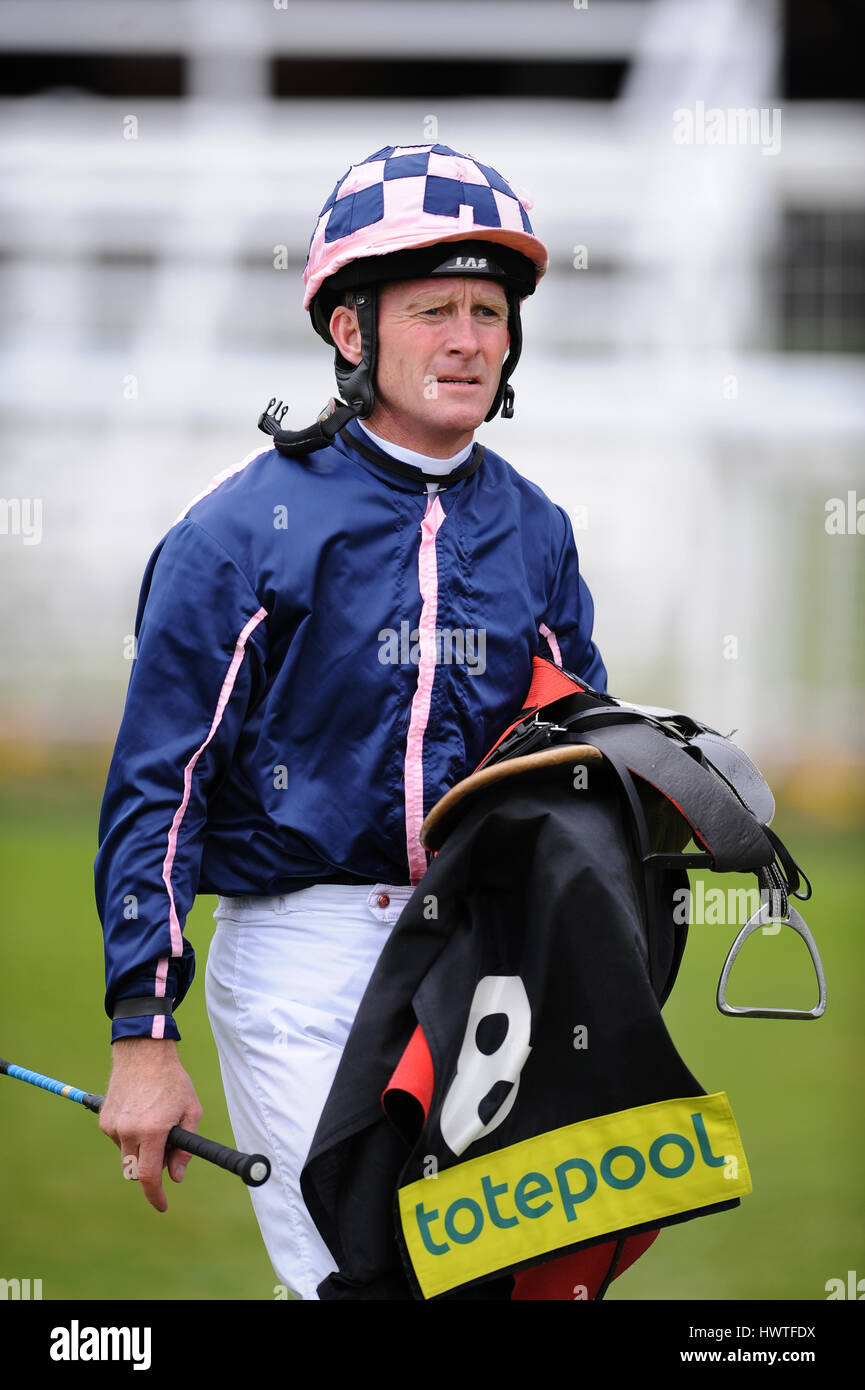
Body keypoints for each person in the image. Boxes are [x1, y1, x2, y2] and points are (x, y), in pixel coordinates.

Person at [95, 142, 607, 1300]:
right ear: (349, 331)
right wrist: (144, 1034)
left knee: (493, 1286)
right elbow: (154, 791)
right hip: (303, 957)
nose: (469, 339)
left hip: (486, 959)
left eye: (489, 309)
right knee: (368, 1284)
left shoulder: (539, 528)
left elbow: (570, 761)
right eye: (433, 309)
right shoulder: (236, 531)